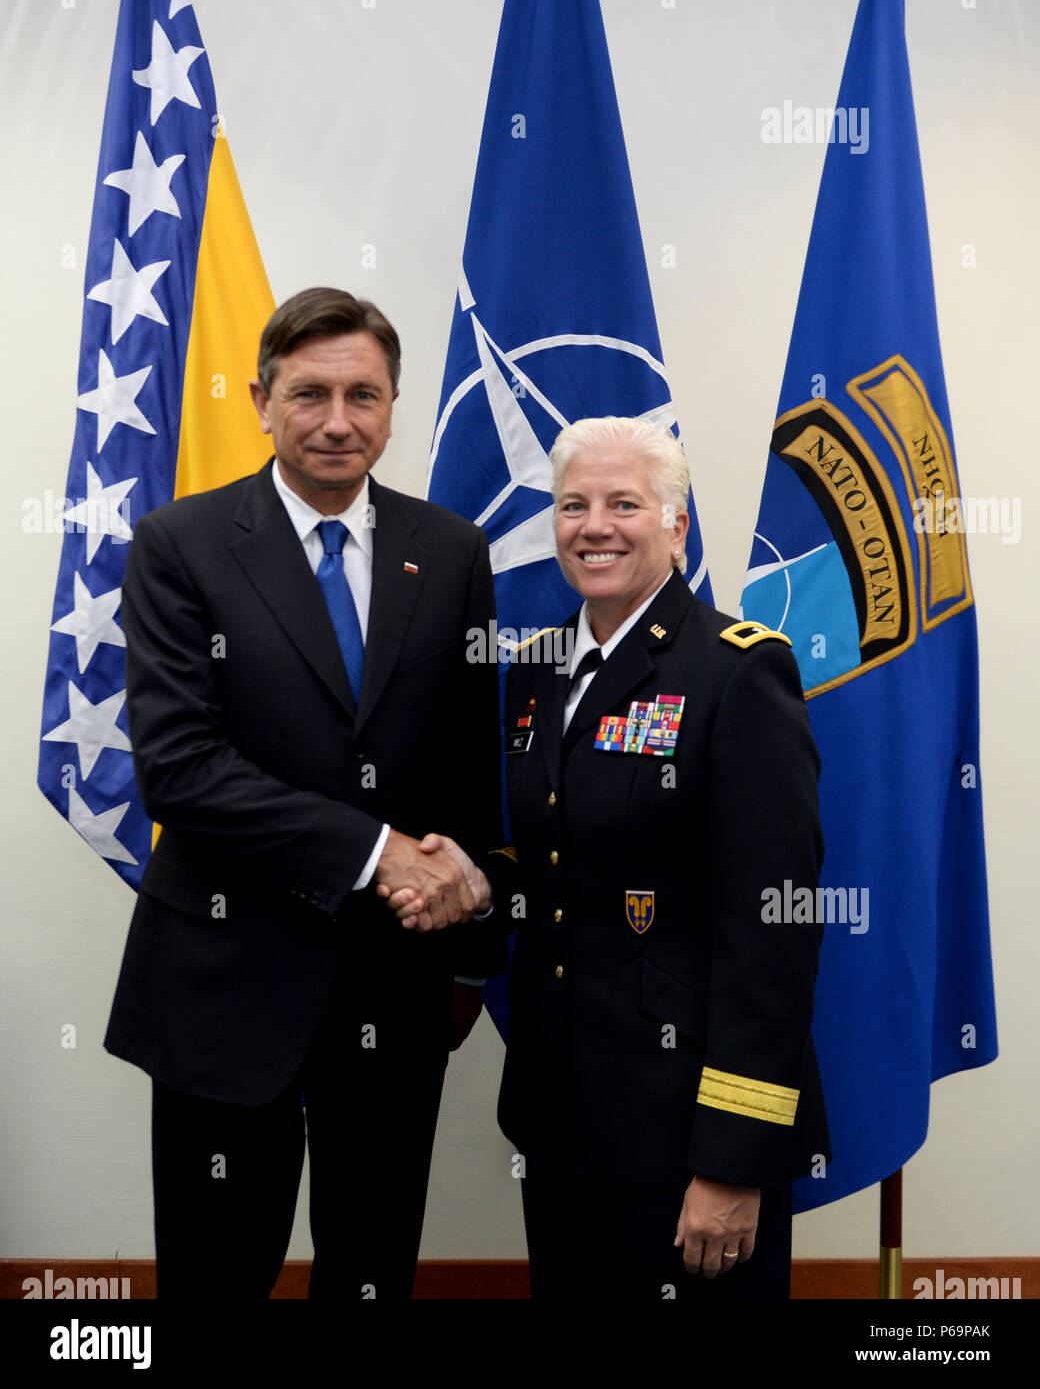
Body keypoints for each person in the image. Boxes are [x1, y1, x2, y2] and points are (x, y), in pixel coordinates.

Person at [104, 287, 498, 1300]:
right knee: (214, 1273)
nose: (336, 420)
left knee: (372, 1272)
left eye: (363, 394)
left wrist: (460, 919)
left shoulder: (450, 552)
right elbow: (182, 771)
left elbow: (466, 758)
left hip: (396, 984)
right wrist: (381, 852)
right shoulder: (178, 546)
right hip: (224, 979)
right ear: (260, 399)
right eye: (309, 392)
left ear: (393, 404)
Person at [393, 415, 828, 1299]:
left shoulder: (736, 673)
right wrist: (480, 886)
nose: (594, 526)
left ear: (676, 524)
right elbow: (558, 864)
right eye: (572, 506)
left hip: (685, 1136)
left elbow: (773, 933)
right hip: (561, 1118)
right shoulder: (543, 669)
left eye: (624, 504)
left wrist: (734, 1161)